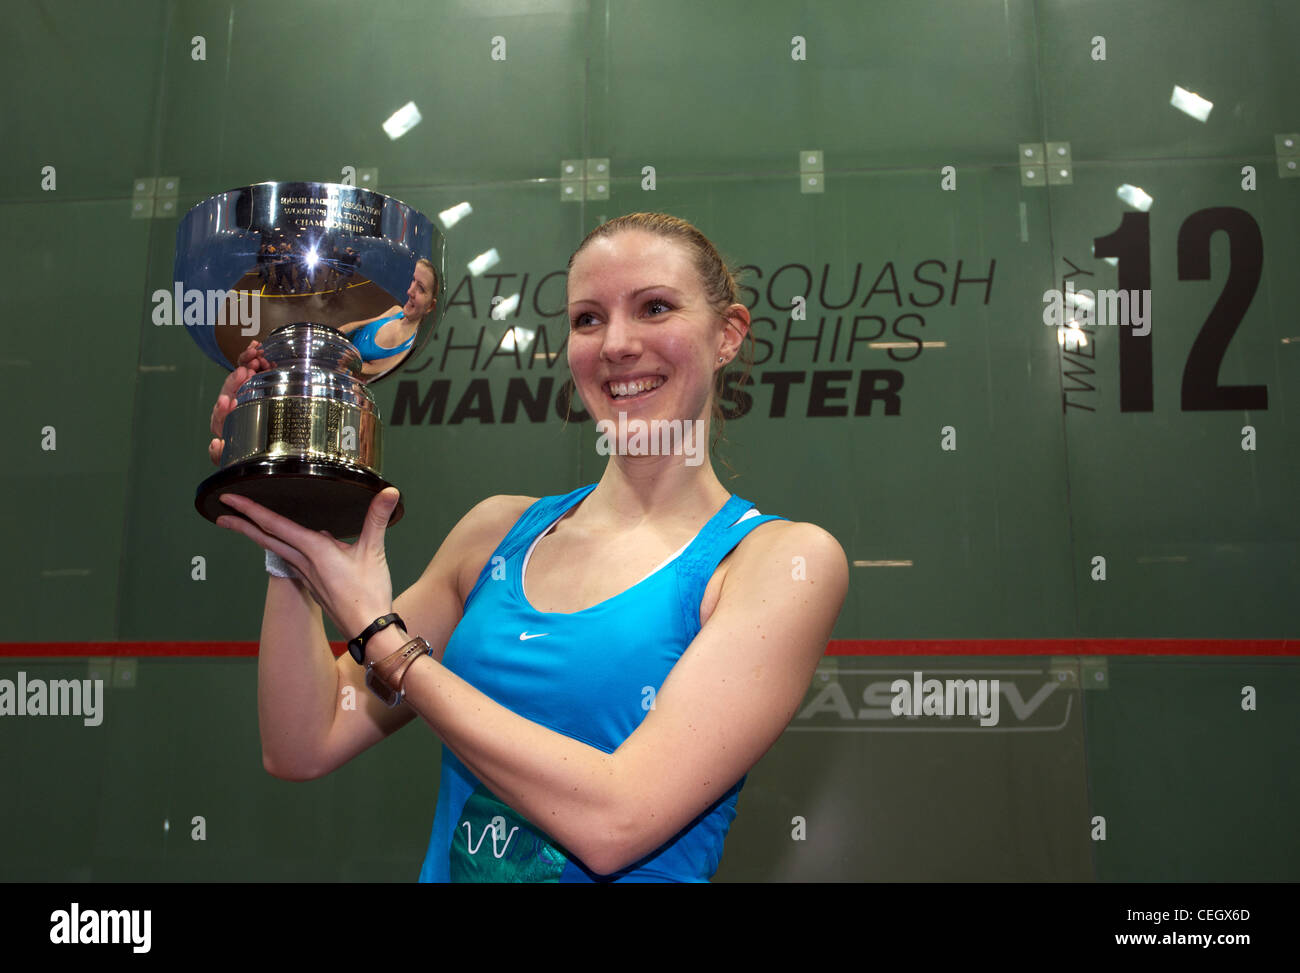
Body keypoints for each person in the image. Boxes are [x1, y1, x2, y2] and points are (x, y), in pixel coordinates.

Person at [207, 213, 848, 881]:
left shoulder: (778, 564)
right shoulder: (496, 536)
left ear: (728, 335)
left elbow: (615, 821)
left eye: (655, 307)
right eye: (588, 319)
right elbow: (303, 743)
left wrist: (387, 641)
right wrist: (288, 523)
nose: (617, 345)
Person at [333, 258, 437, 367]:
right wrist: (338, 333)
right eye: (413, 280)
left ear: (430, 306)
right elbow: (359, 325)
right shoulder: (396, 311)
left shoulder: (403, 352)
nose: (410, 291)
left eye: (421, 288)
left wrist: (353, 365)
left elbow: (367, 372)